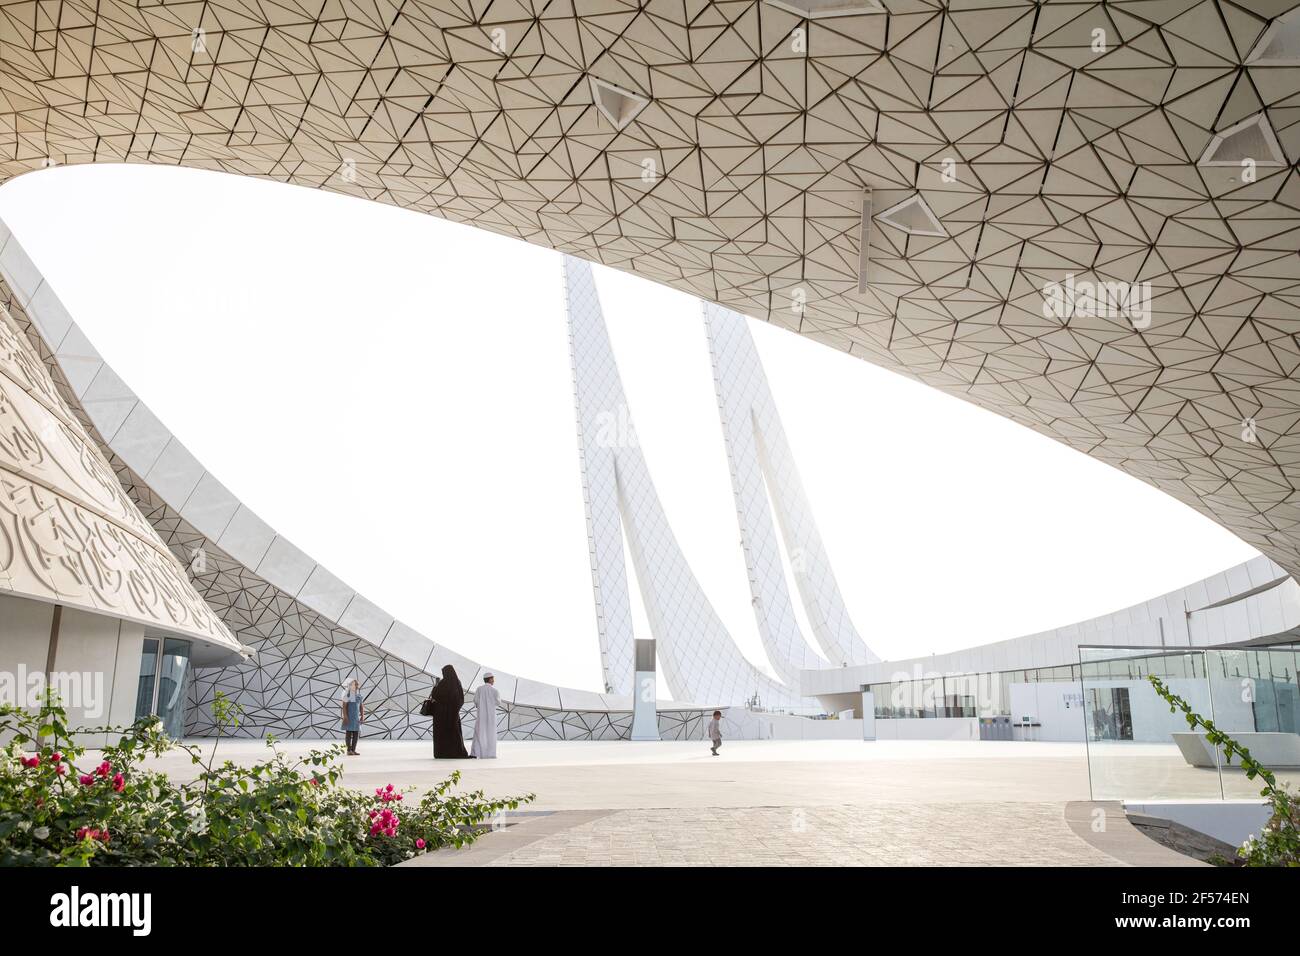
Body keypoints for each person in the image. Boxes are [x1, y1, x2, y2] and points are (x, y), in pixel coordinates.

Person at [431, 664, 470, 759]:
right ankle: (455, 752)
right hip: (453, 714)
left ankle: (442, 753)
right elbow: (461, 699)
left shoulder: (442, 683)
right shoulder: (457, 683)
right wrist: (455, 709)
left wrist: (435, 687)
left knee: (442, 733)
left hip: (441, 714)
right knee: (454, 732)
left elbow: (435, 695)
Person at [470, 673, 501, 759]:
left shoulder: (479, 689)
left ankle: (476, 753)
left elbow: (475, 700)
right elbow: (498, 702)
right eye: (493, 679)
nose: (493, 681)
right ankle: (490, 754)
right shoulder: (495, 690)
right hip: (491, 717)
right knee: (491, 735)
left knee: (479, 733)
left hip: (481, 716)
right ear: (490, 679)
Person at [341, 679, 364, 755]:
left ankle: (353, 750)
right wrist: (345, 717)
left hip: (356, 718)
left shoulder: (359, 696)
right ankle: (349, 750)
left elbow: (361, 707)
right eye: (354, 685)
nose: (356, 686)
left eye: (357, 685)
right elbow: (344, 707)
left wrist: (362, 716)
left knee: (356, 734)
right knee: (348, 733)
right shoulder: (347, 695)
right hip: (349, 717)